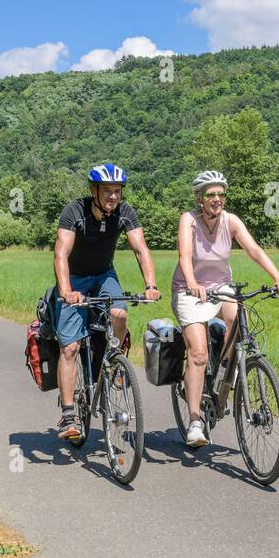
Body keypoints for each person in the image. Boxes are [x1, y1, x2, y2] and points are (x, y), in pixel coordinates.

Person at [172, 170, 279, 448]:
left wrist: (278, 277)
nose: (217, 199)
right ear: (200, 198)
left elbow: (254, 250)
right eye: (211, 195)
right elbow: (185, 255)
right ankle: (194, 421)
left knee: (240, 322)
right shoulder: (188, 220)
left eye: (221, 194)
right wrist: (191, 282)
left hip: (222, 286)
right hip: (190, 291)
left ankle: (225, 370)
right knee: (198, 354)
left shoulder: (231, 220)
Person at [53, 163, 161, 441]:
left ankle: (111, 362)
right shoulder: (74, 212)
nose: (113, 196)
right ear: (94, 191)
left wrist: (150, 286)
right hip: (75, 279)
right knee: (70, 347)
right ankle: (68, 415)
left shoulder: (125, 213)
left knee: (119, 313)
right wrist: (66, 290)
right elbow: (61, 254)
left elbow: (140, 249)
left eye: (117, 191)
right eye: (107, 191)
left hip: (104, 276)